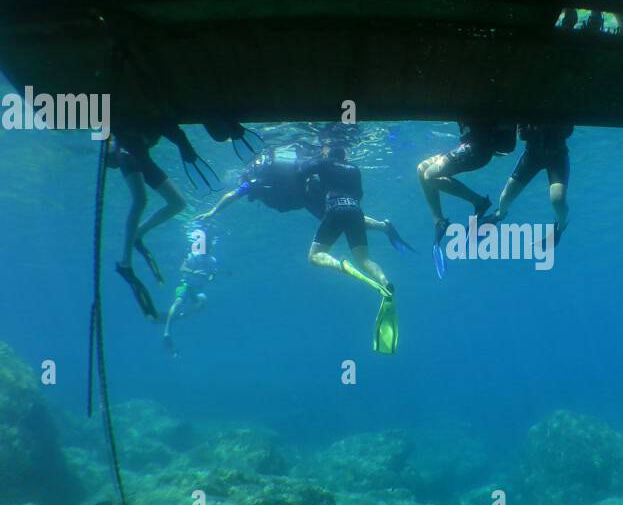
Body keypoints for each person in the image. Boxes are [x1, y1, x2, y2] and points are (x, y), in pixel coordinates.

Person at [195, 147, 415, 253]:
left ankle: (384, 227)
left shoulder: (251, 180)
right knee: (348, 217)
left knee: (341, 220)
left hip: (309, 196)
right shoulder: (262, 173)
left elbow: (232, 195)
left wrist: (212, 212)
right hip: (308, 193)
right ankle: (384, 226)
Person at [304, 141, 398, 353]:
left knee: (315, 256)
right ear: (345, 153)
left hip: (334, 210)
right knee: (364, 259)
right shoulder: (355, 169)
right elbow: (359, 194)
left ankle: (341, 266)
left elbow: (302, 170)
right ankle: (385, 281)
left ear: (328, 151)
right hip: (356, 211)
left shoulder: (323, 162)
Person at [417, 122, 516, 277]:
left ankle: (479, 202)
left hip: (476, 150)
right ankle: (439, 221)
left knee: (429, 176)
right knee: (422, 169)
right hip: (468, 146)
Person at [108, 131, 187, 319]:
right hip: (127, 153)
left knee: (178, 203)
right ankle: (125, 262)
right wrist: (111, 148)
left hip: (142, 156)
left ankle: (138, 233)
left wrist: (185, 147)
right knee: (140, 200)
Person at [484, 124, 574, 247]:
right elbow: (522, 135)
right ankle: (498, 215)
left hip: (557, 155)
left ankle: (559, 229)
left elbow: (568, 131)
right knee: (505, 198)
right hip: (532, 156)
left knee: (558, 201)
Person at [163, 228, 219, 358]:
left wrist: (208, 277)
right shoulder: (192, 255)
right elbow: (182, 268)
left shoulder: (213, 260)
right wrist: (194, 272)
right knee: (178, 301)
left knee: (203, 301)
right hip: (186, 285)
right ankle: (167, 332)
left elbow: (213, 276)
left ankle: (183, 315)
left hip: (197, 289)